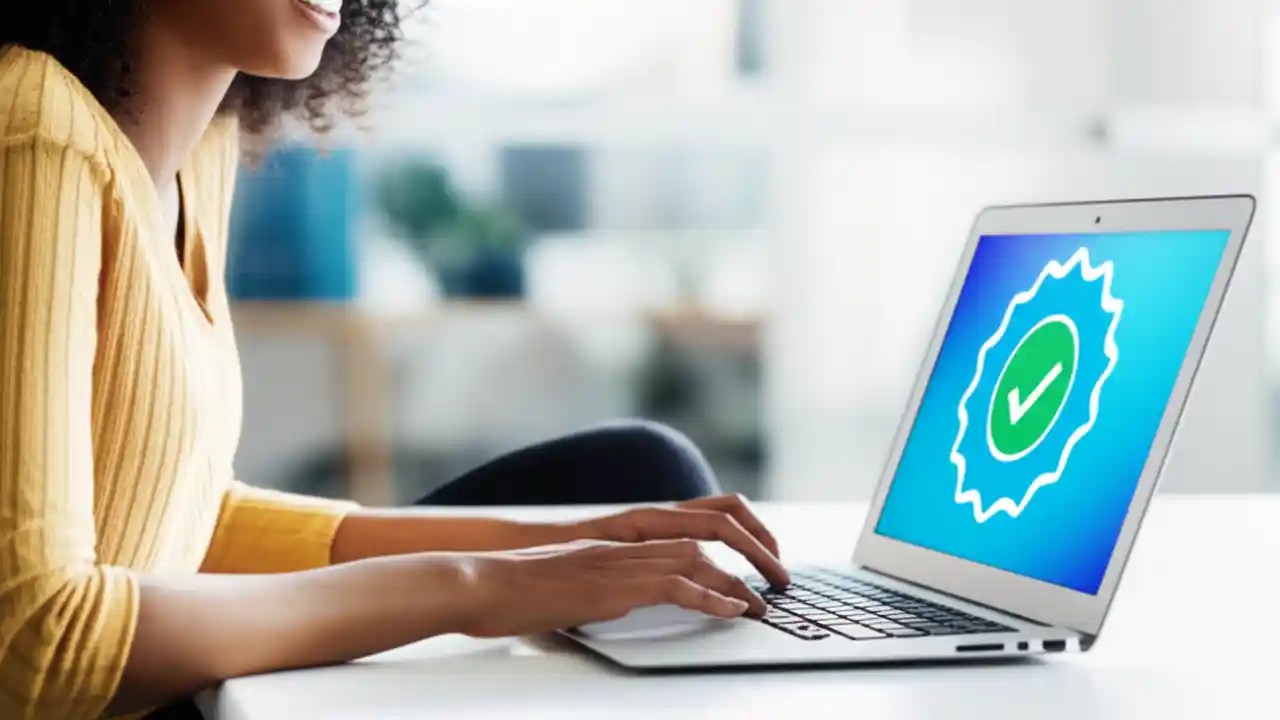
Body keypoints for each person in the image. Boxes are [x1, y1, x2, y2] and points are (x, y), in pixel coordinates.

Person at [0, 2, 789, 718]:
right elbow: (34, 643)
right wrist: (476, 587)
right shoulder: (38, 131)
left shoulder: (198, 144)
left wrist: (547, 548)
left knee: (640, 482)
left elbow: (179, 521)